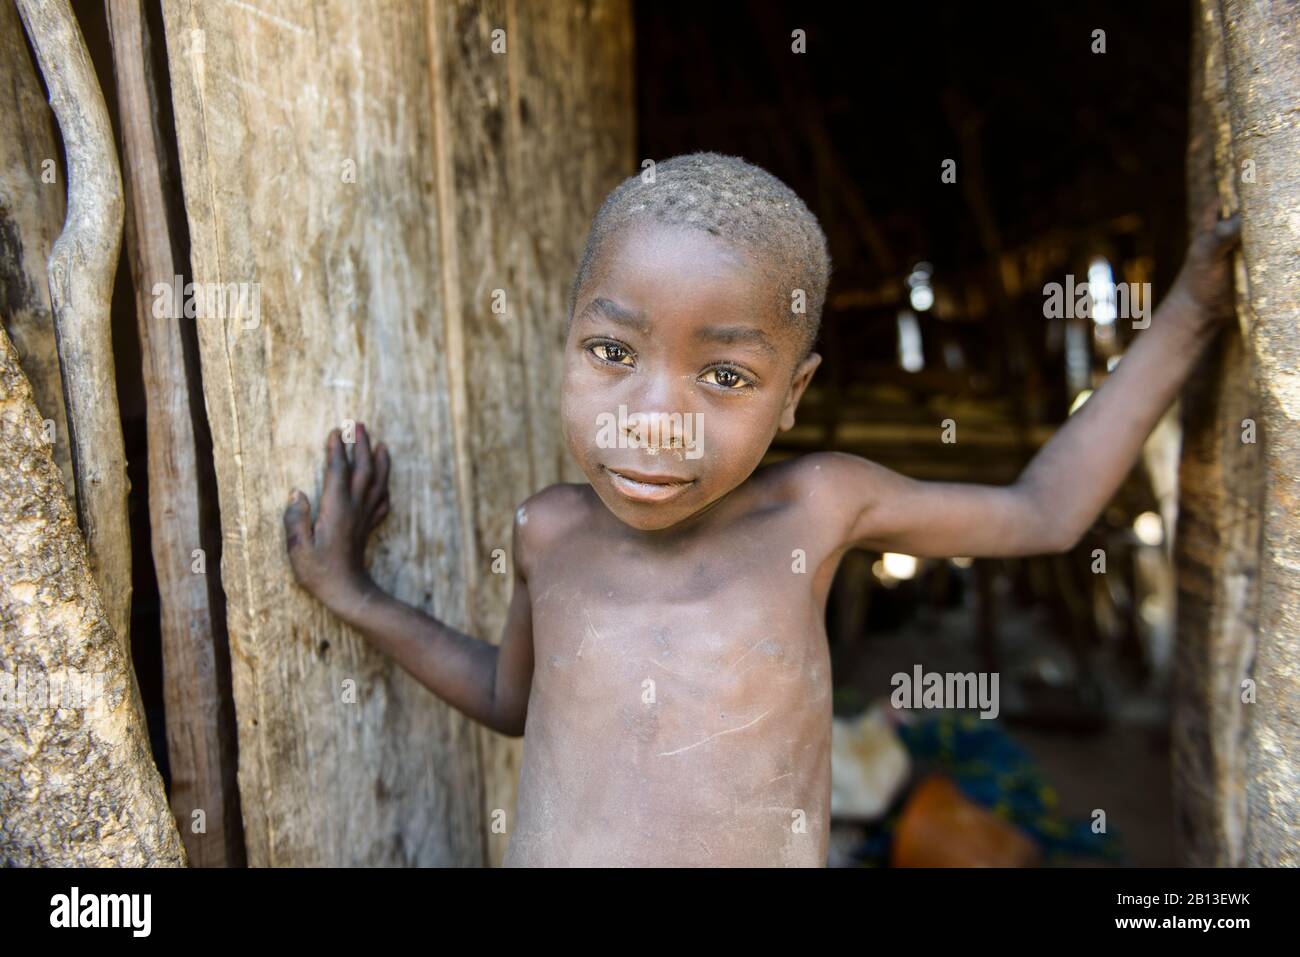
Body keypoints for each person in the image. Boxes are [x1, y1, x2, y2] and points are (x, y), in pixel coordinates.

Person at [282, 152, 1240, 866]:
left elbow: (1044, 512)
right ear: (567, 343)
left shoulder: (817, 510)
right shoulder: (549, 532)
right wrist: (356, 593)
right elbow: (508, 700)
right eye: (613, 352)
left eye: (726, 373)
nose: (656, 422)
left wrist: (1191, 314)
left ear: (793, 393)